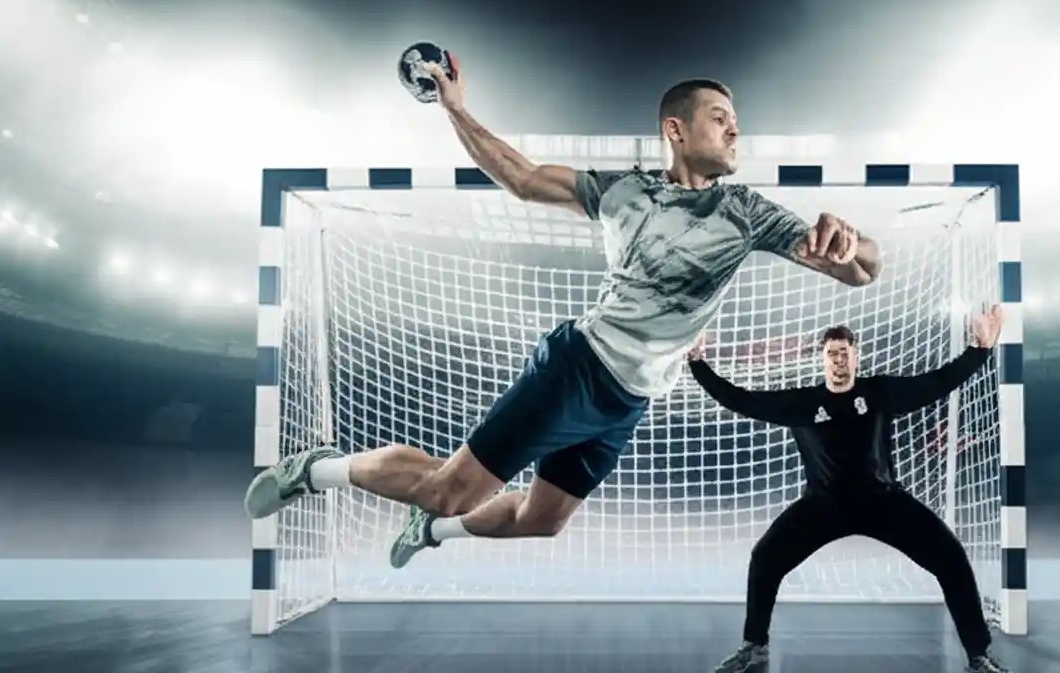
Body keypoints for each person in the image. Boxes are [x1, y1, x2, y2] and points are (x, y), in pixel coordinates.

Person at [244, 52, 885, 572]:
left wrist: (854, 243)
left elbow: (861, 272)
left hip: (628, 400)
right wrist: (458, 111)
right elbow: (521, 177)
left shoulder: (748, 213)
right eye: (719, 117)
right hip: (579, 369)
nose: (733, 128)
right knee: (448, 485)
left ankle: (434, 533)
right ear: (676, 129)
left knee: (541, 520)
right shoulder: (623, 190)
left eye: (735, 119)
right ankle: (315, 468)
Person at [687, 307, 1011, 673]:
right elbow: (739, 399)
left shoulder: (881, 392)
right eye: (831, 353)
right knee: (765, 558)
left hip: (883, 501)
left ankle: (978, 656)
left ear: (856, 357)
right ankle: (755, 645)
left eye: (844, 352)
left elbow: (936, 382)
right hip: (822, 506)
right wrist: (697, 363)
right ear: (822, 360)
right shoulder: (802, 403)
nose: (838, 359)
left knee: (951, 558)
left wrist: (979, 349)